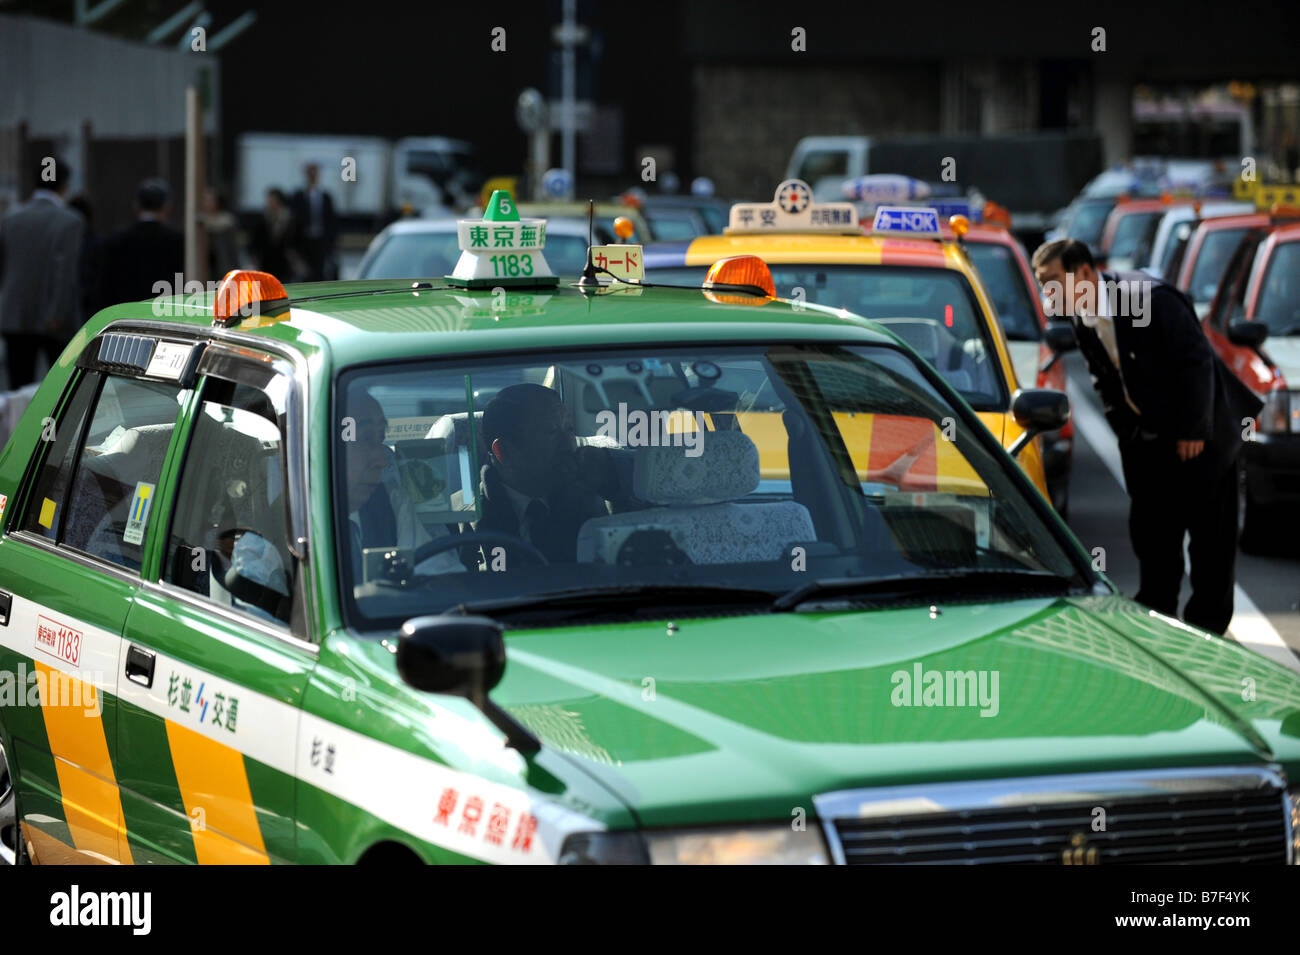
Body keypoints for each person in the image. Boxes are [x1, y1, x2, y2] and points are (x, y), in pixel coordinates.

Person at [1031, 238, 1263, 635]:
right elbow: (1106, 381)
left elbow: (1197, 359)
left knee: (1211, 549)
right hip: (1150, 444)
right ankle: (1160, 631)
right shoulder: (1079, 314)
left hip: (1203, 436)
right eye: (1042, 284)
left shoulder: (1145, 299)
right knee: (1154, 545)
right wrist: (1129, 436)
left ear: (1084, 272)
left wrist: (1193, 429)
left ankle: (1207, 637)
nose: (1047, 292)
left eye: (1052, 281)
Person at [467, 383, 625, 563]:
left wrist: (610, 487)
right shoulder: (465, 521)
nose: (569, 445)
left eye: (570, 429)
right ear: (504, 451)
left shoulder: (591, 495)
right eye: (551, 432)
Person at [342, 389, 462, 581]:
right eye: (365, 439)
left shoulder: (391, 502)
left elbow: (440, 576)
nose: (381, 460)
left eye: (381, 439)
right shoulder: (292, 527)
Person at [0, 158, 86, 388]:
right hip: (54, 318)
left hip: (14, 312)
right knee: (58, 387)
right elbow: (64, 271)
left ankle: (17, 424)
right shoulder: (70, 221)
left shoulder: (9, 220)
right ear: (64, 185)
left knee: (18, 385)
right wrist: (57, 313)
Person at [98, 178, 184, 311]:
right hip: (165, 314)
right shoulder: (178, 241)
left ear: (136, 206)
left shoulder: (117, 240)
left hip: (125, 315)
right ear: (167, 207)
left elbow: (105, 287)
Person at [289, 163, 337, 281]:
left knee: (320, 272)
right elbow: (293, 221)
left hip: (320, 240)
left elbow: (331, 220)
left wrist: (331, 241)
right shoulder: (299, 196)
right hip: (303, 240)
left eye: (314, 172)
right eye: (310, 172)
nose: (312, 175)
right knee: (304, 272)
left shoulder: (326, 196)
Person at [248, 188, 301, 280]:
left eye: (272, 200)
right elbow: (256, 240)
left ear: (279, 202)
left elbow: (295, 240)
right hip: (266, 261)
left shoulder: (288, 219)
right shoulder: (263, 218)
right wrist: (254, 256)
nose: (269, 203)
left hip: (284, 262)